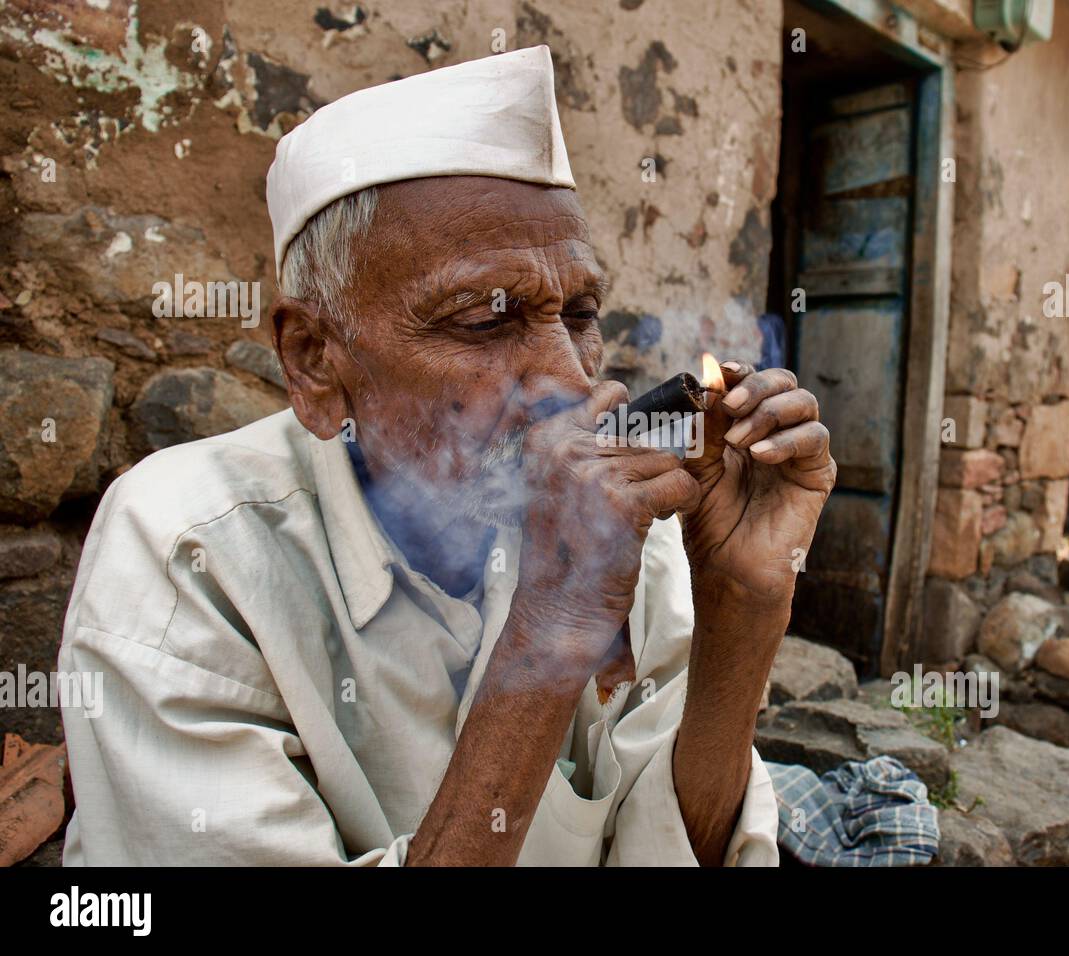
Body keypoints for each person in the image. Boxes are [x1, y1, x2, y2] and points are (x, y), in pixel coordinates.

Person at [59, 45, 834, 866]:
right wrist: (552, 633)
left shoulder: (620, 530)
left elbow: (680, 848)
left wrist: (745, 609)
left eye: (579, 313)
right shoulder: (189, 553)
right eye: (483, 320)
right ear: (316, 357)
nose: (571, 379)